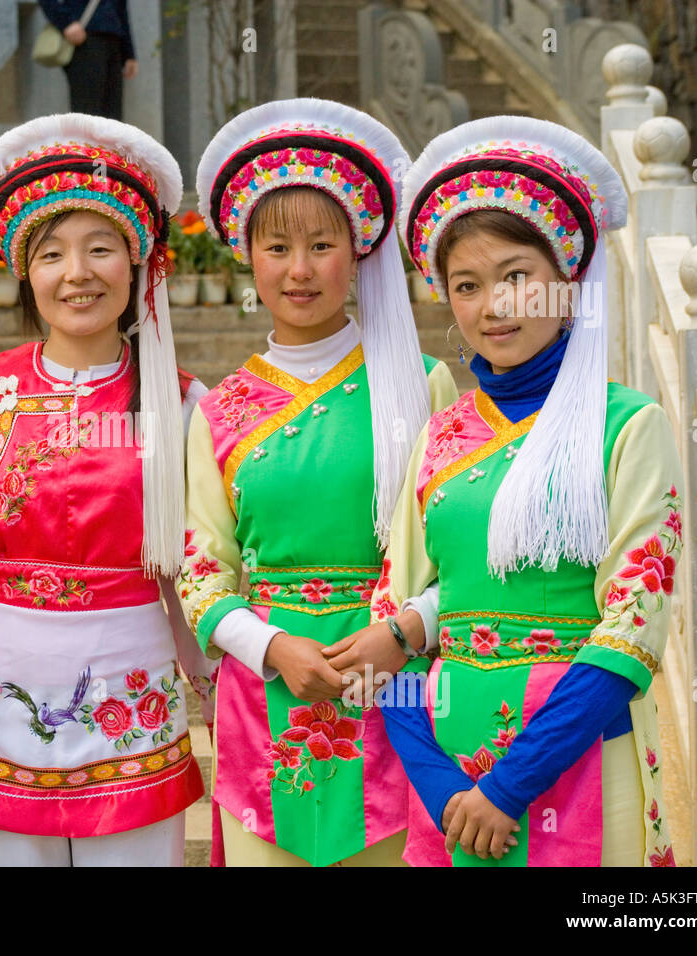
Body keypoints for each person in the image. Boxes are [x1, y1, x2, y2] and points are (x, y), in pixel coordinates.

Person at [373, 115, 681, 866]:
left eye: (517, 276)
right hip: (450, 779)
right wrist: (442, 786)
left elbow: (629, 631)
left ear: (567, 278)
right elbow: (396, 631)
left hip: (579, 759)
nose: (494, 307)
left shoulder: (628, 426)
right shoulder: (440, 436)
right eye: (467, 286)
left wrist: (507, 788)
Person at [180, 99, 458, 866]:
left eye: (322, 244)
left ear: (360, 250)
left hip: (401, 686)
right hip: (267, 693)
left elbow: (461, 549)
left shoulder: (420, 385)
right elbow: (203, 572)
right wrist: (273, 648)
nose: (299, 270)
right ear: (248, 257)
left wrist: (405, 633)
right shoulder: (220, 411)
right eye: (277, 247)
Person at [0, 112, 213, 866]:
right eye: (53, 253)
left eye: (101, 249)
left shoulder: (180, 400)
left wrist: (213, 683)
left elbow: (199, 562)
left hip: (128, 683)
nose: (77, 273)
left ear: (136, 266)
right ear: (24, 272)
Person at [38, 0, 136, 119]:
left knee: (113, 119)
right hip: (84, 39)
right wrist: (66, 22)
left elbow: (121, 7)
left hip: (114, 40)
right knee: (87, 115)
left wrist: (129, 53)